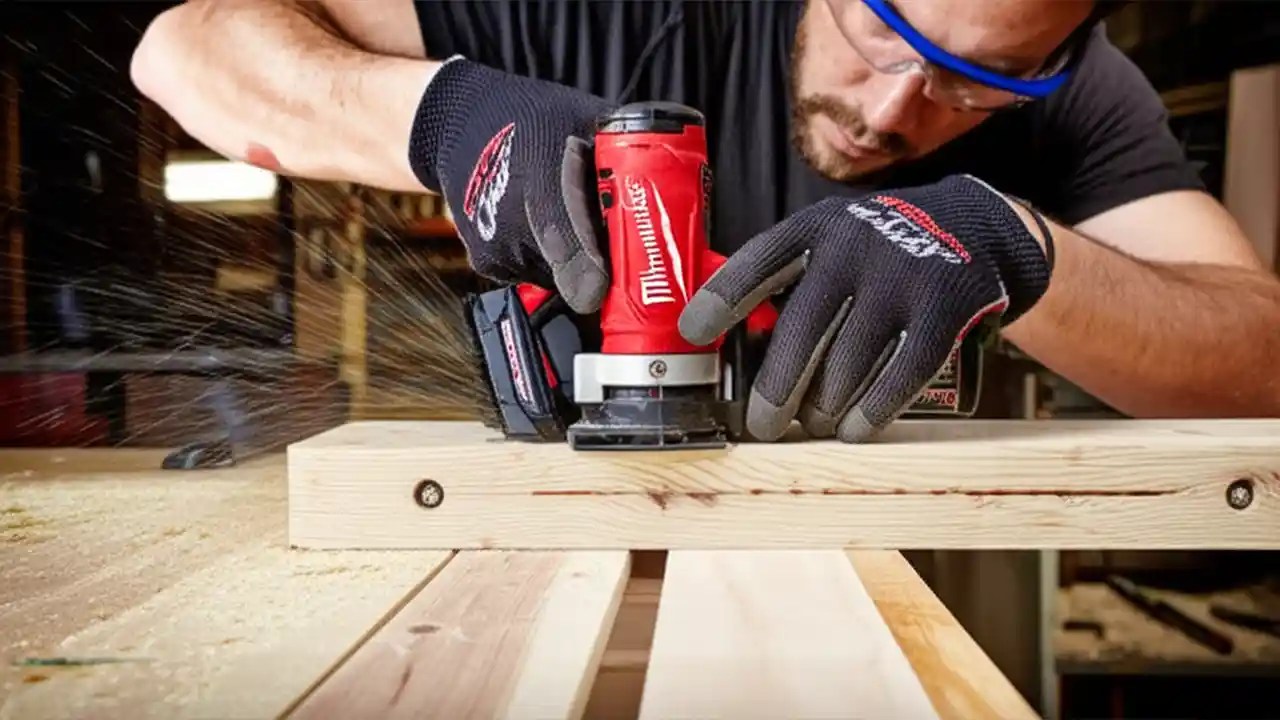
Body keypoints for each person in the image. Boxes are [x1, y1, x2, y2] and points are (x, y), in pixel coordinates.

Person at [129, 0, 1280, 443]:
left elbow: (1256, 353)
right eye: (884, 31)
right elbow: (186, 44)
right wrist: (440, 114)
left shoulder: (1069, 97)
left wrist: (1019, 248)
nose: (894, 110)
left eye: (975, 82)